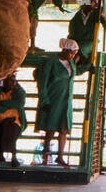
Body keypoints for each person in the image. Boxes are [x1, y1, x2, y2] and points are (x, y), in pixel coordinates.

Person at [34, 38, 79, 167]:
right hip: (54, 100)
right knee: (51, 128)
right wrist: (45, 100)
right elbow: (42, 83)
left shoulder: (72, 64)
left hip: (66, 101)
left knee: (64, 128)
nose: (73, 56)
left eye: (75, 54)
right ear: (64, 50)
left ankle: (60, 156)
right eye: (72, 53)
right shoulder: (51, 62)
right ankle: (45, 155)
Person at [0, 74, 28, 167]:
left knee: (8, 127)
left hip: (14, 122)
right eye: (10, 80)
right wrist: (7, 108)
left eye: (14, 80)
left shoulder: (18, 92)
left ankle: (7, 155)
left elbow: (20, 103)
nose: (14, 83)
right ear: (3, 82)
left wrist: (2, 103)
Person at [66, 0, 106, 73]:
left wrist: (104, 16)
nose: (88, 2)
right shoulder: (79, 14)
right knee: (70, 46)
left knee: (79, 48)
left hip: (90, 41)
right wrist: (70, 40)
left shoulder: (97, 14)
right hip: (77, 40)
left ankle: (73, 67)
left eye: (91, 1)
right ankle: (71, 65)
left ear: (95, 3)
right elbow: (72, 28)